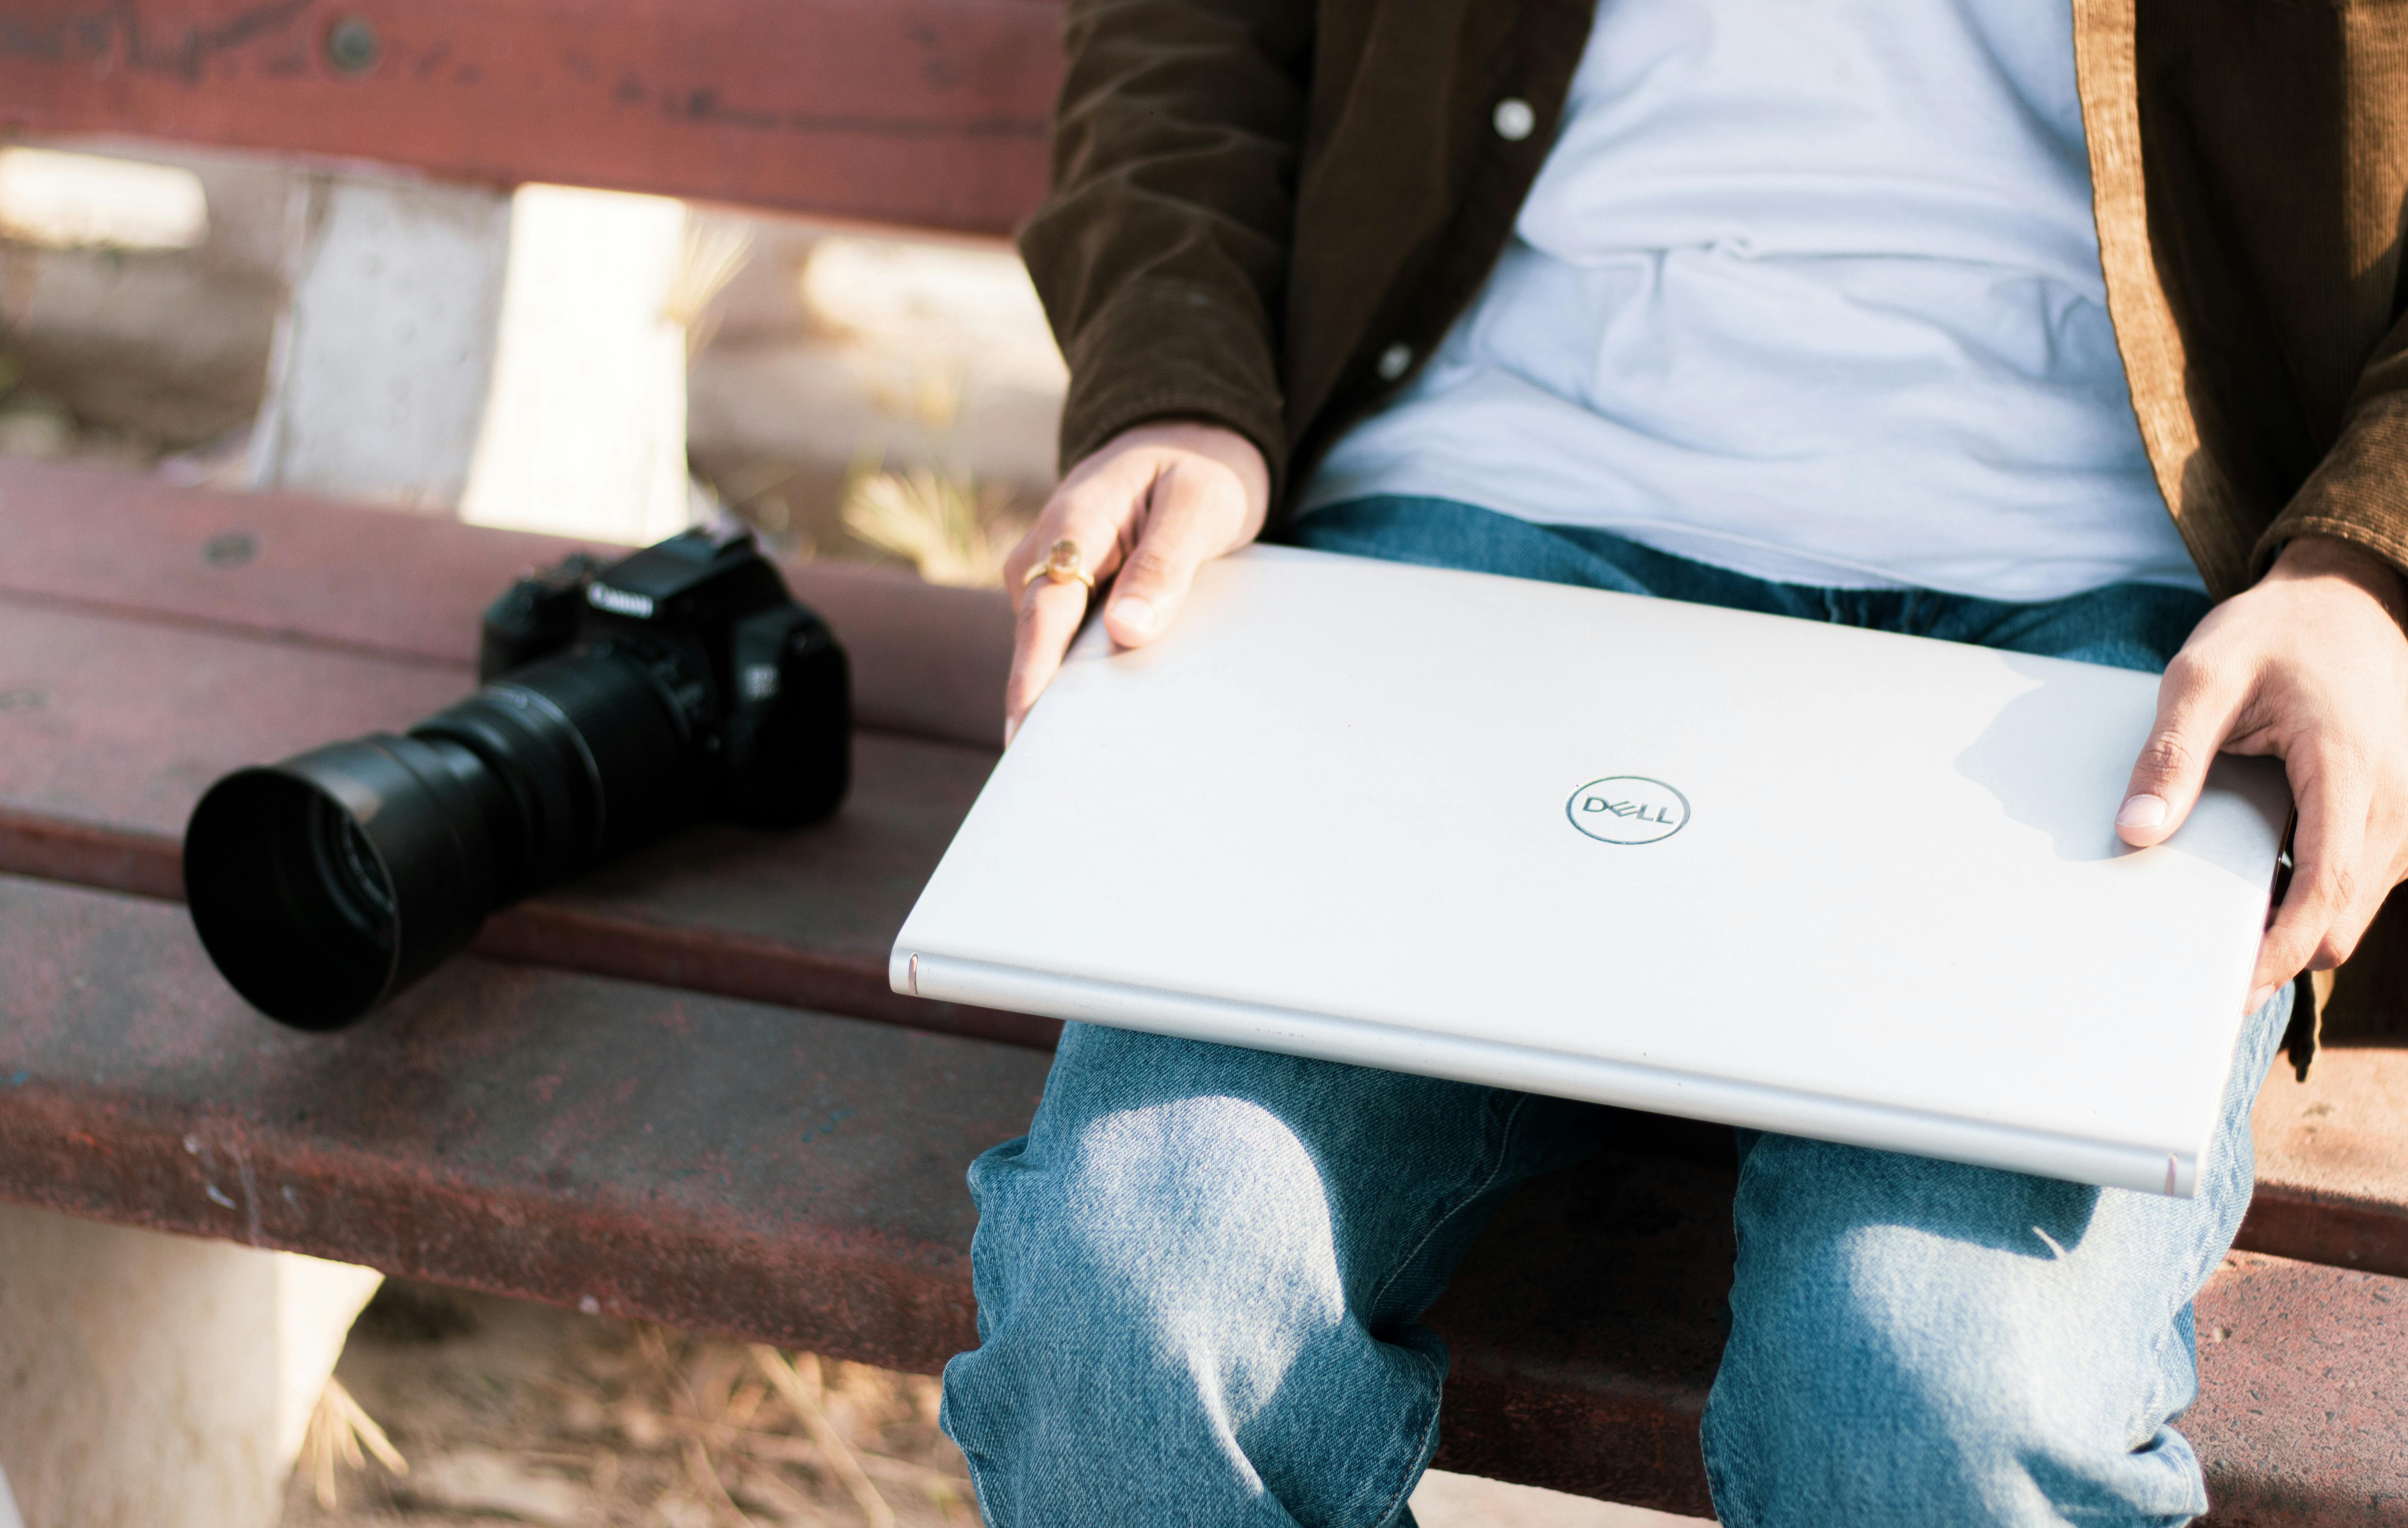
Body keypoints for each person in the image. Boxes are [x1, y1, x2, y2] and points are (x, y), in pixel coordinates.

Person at [940, 1, 2408, 1522]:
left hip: (2121, 611)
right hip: (1480, 514)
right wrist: (1176, 383)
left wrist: (2374, 570)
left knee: (1929, 1402)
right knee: (1134, 1301)